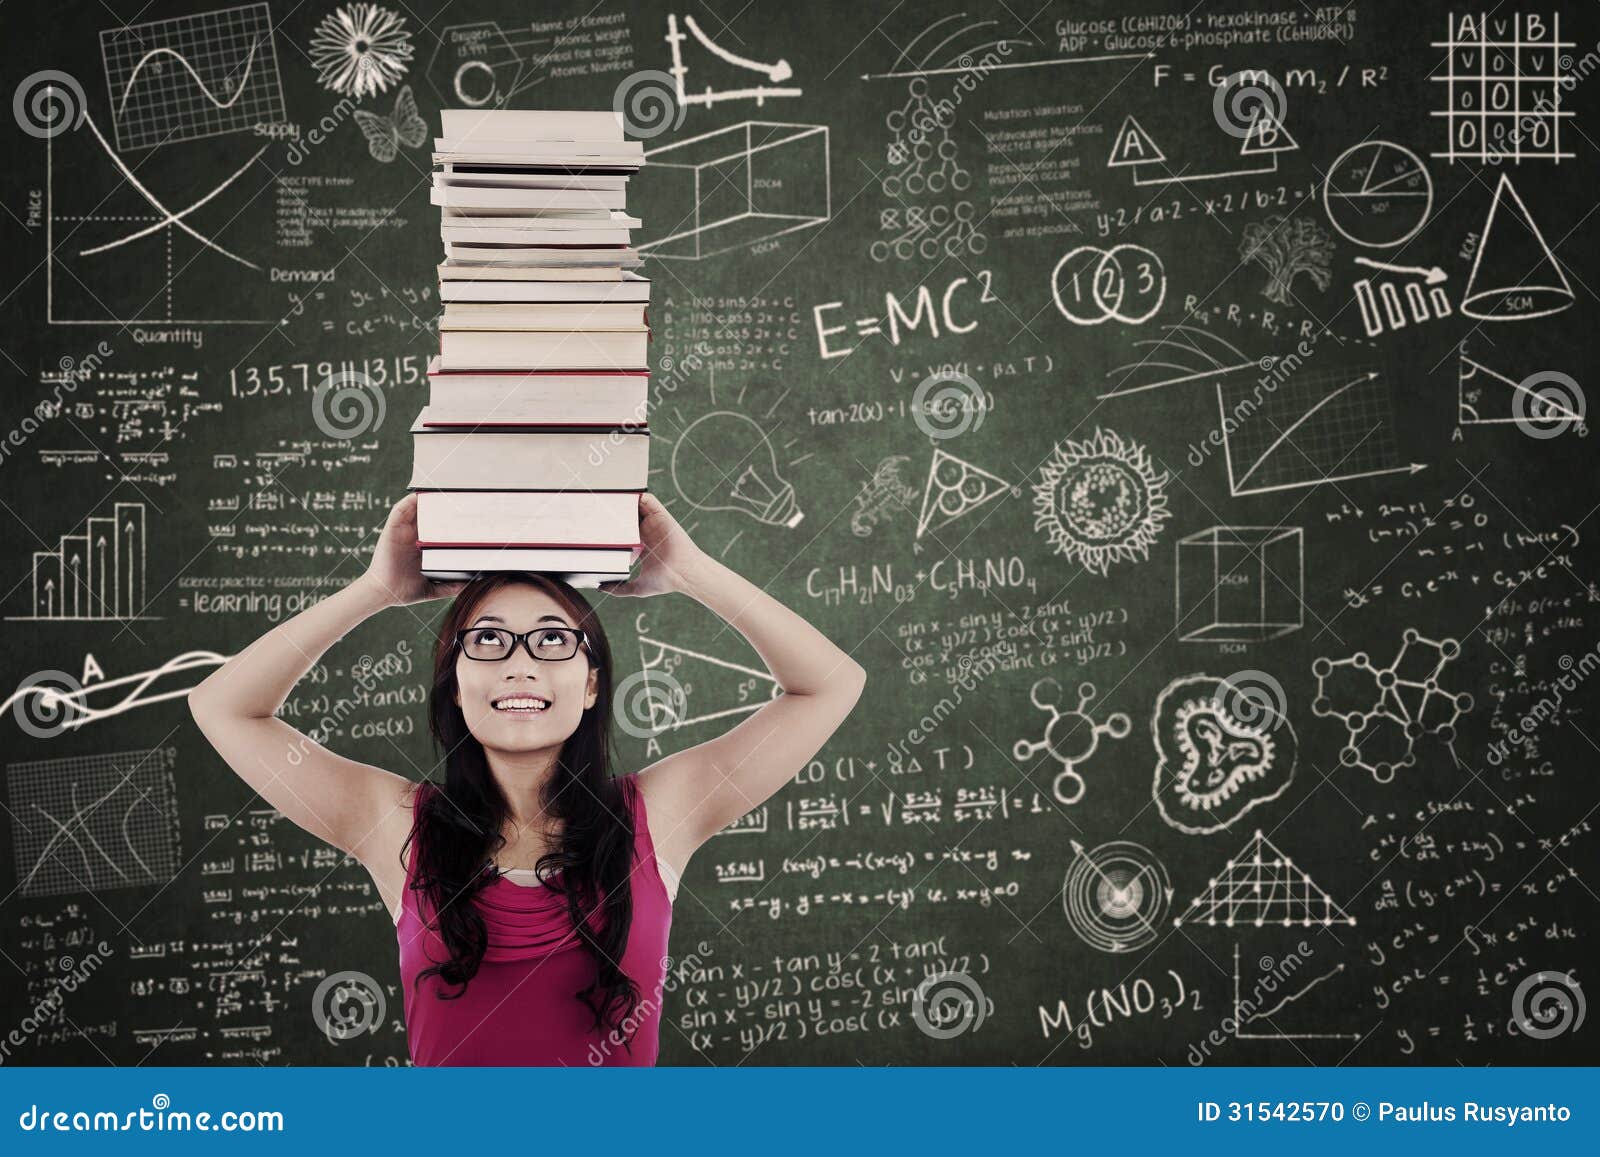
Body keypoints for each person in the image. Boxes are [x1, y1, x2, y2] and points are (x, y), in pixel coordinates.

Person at [188, 491, 866, 1065]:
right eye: (486, 640)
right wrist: (377, 591)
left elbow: (830, 685)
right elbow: (224, 707)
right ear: (454, 683)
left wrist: (689, 570)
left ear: (592, 680)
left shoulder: (659, 814)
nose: (519, 664)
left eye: (551, 639)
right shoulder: (396, 823)